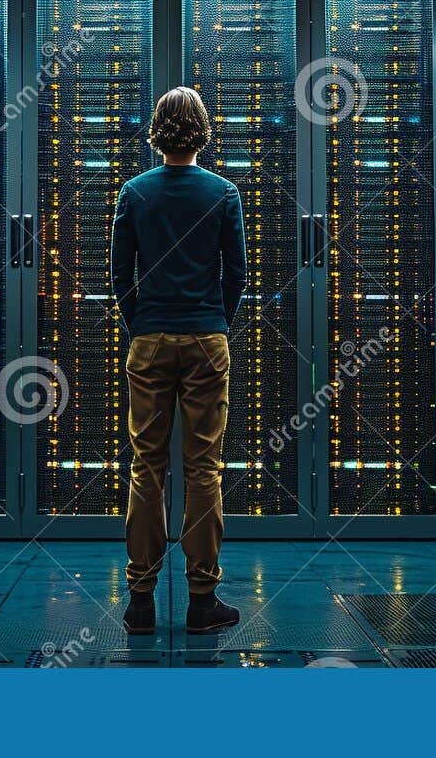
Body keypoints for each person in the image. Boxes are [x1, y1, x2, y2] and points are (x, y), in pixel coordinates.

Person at [110, 85, 246, 635]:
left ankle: (140, 601)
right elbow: (235, 275)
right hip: (206, 341)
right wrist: (215, 320)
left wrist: (141, 323)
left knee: (146, 467)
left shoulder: (134, 192)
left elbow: (120, 275)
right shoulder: (223, 193)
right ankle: (201, 599)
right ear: (202, 132)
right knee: (203, 469)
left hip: (149, 340)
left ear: (157, 132)